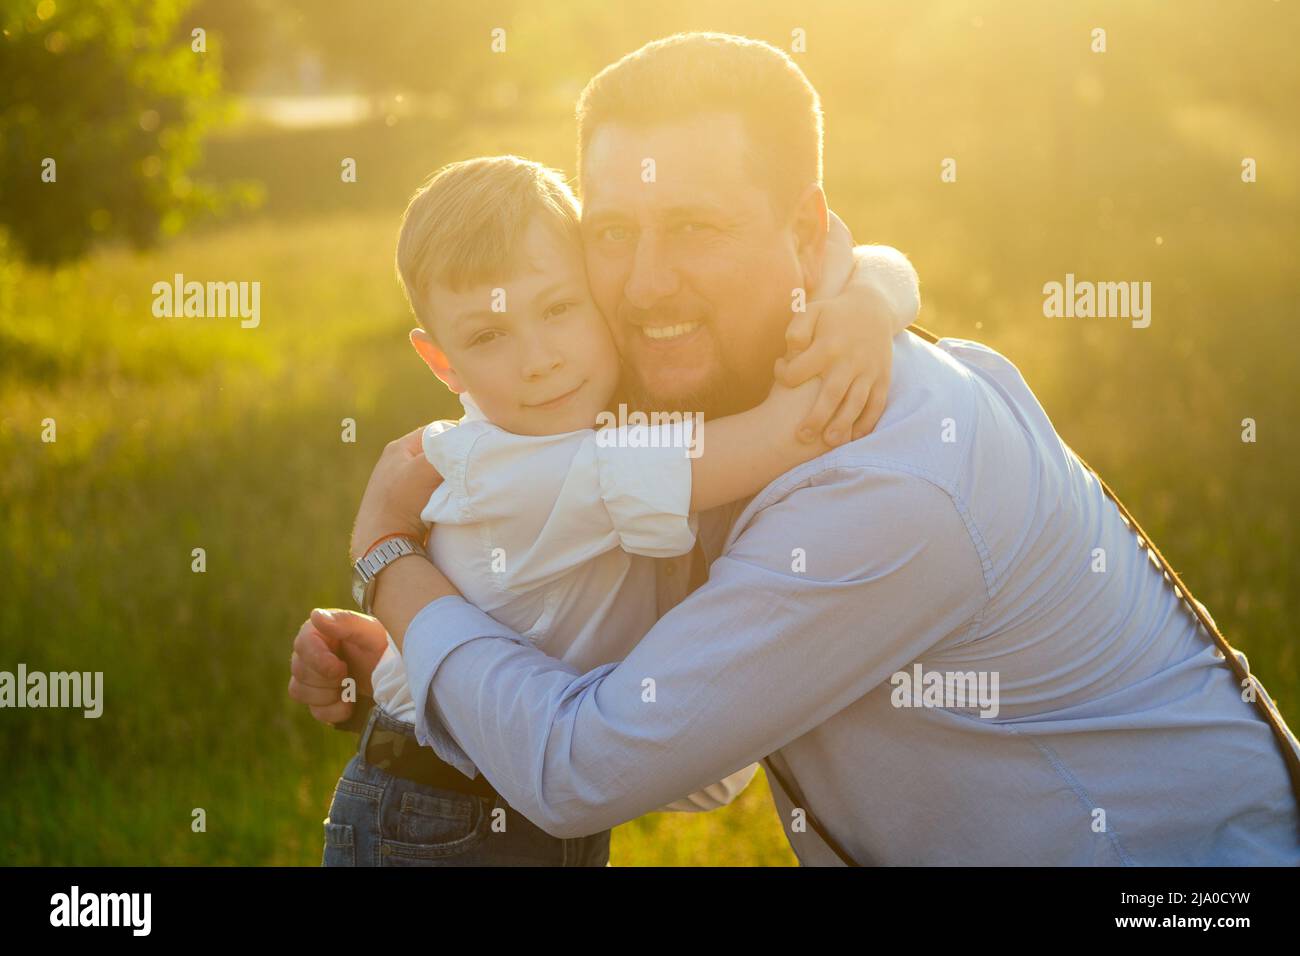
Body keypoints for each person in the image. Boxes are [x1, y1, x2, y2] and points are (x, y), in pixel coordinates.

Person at [293, 32, 1300, 865]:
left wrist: (392, 562)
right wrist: (420, 666)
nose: (644, 285)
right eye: (611, 233)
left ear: (802, 228)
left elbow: (580, 768)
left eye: (693, 225)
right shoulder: (755, 379)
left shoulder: (879, 482)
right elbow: (698, 747)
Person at [317, 152, 921, 865]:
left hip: (522, 798)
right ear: (442, 362)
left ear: (601, 298)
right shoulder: (515, 465)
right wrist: (858, 324)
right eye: (488, 336)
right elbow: (790, 433)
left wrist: (869, 300)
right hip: (437, 816)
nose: (538, 359)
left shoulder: (593, 422)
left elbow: (885, 262)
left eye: (560, 309)